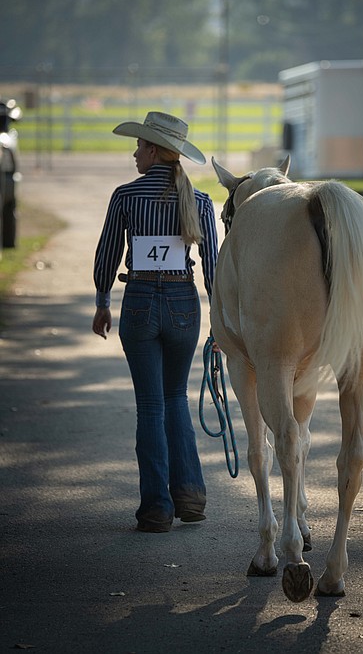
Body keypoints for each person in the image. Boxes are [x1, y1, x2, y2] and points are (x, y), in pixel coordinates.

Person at [92, 111, 218, 533]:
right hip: (185, 303)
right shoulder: (199, 201)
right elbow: (214, 269)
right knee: (176, 398)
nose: (134, 153)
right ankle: (190, 496)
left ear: (153, 151)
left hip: (140, 301)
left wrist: (102, 301)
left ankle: (156, 509)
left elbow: (107, 255)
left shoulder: (126, 197)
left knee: (150, 405)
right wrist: (220, 325)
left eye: (139, 146)